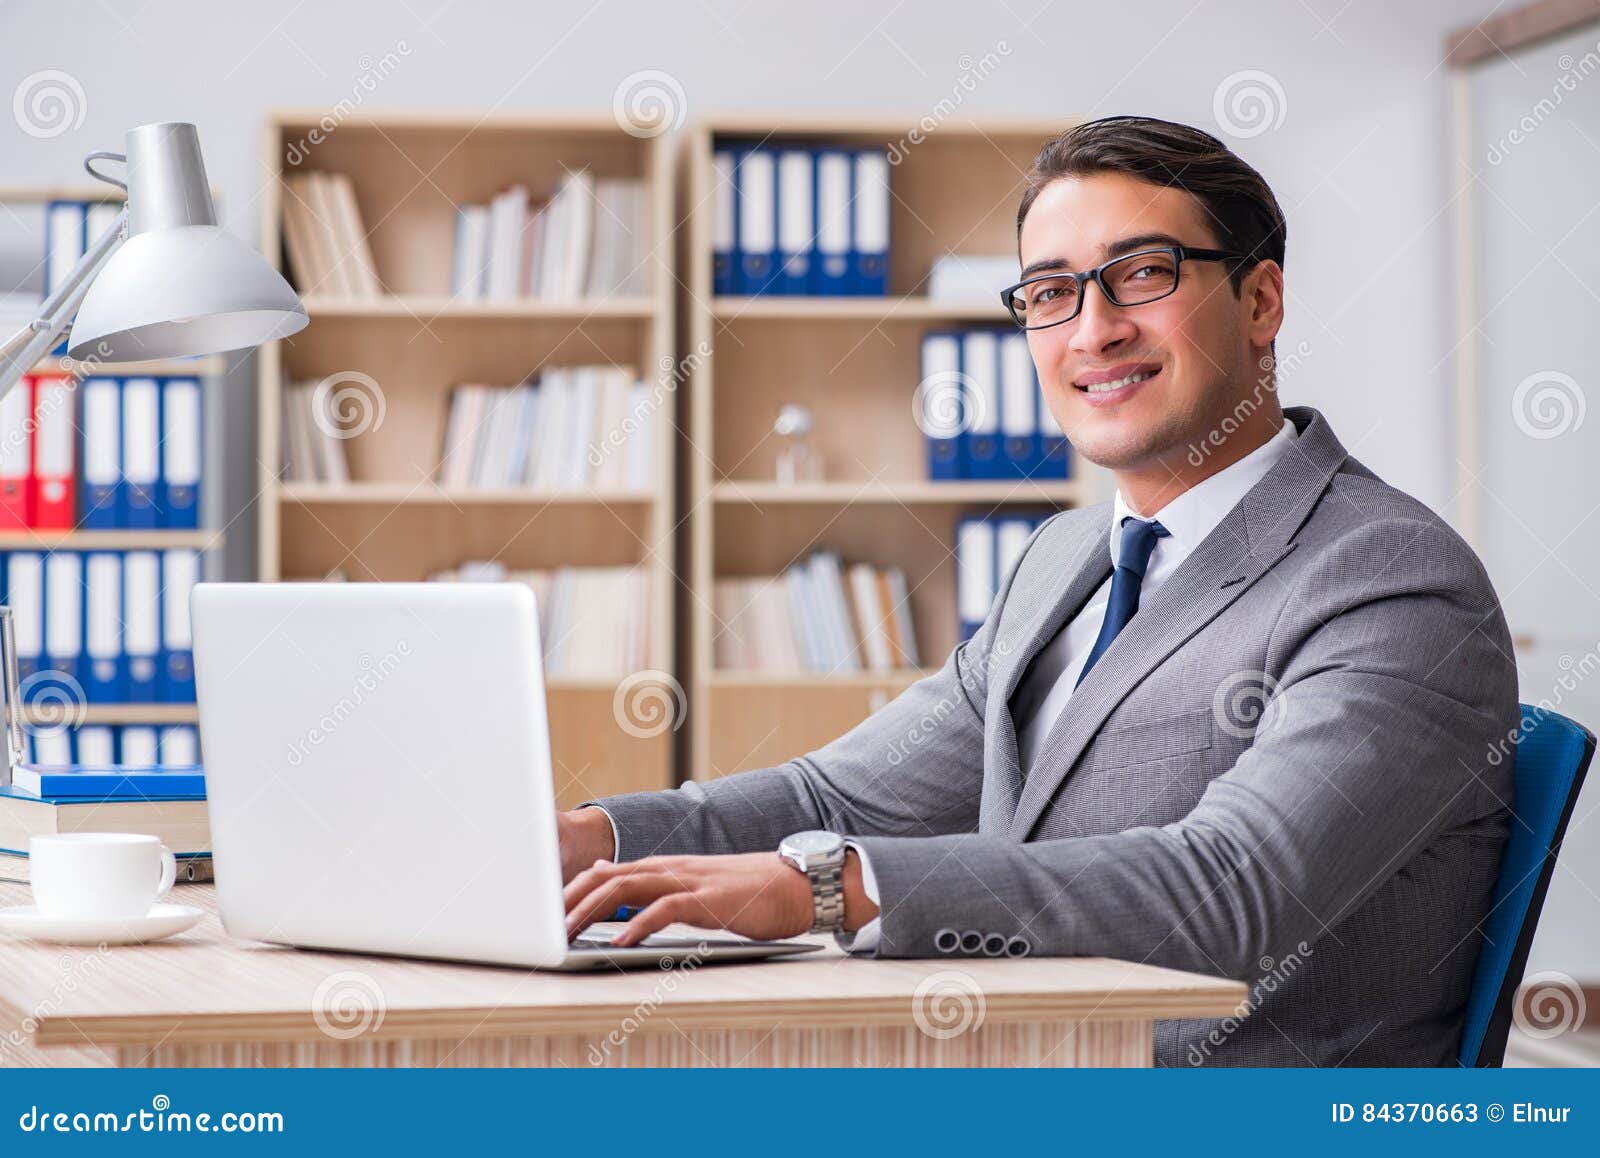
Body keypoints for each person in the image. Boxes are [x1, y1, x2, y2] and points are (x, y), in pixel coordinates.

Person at [562, 116, 1519, 1067]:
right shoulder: (1063, 558)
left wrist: (826, 888)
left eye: (1144, 274)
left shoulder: (1389, 576)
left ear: (1261, 300)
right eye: (1052, 293)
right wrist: (590, 840)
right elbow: (848, 793)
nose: (1093, 331)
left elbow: (1236, 886)